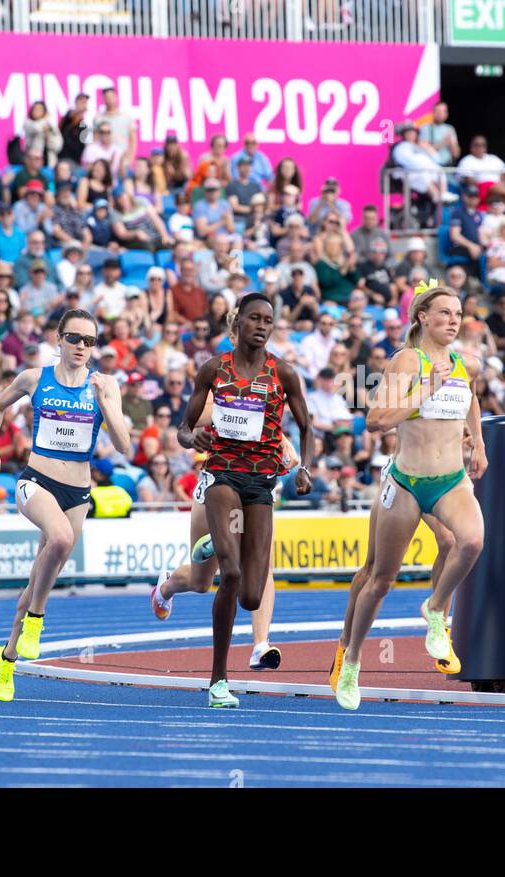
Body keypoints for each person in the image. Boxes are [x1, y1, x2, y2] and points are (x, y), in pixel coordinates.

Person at [331, 281, 488, 711]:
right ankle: (352, 660)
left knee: (468, 541)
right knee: (380, 578)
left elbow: (471, 399)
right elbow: (376, 420)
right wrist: (424, 392)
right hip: (406, 481)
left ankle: (436, 610)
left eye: (457, 314)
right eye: (444, 313)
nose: (453, 321)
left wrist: (479, 441)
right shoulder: (407, 361)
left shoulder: (465, 364)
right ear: (422, 317)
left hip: (451, 479)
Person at [177, 293, 314, 707]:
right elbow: (184, 428)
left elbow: (308, 427)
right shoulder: (213, 369)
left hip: (262, 484)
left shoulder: (284, 374)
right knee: (231, 574)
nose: (262, 325)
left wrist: (305, 468)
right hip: (222, 474)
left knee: (252, 595)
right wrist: (193, 437)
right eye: (254, 318)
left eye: (268, 320)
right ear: (237, 324)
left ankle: (213, 545)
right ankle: (219, 680)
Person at [0, 309, 130, 703]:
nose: (82, 347)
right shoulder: (35, 378)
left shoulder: (106, 384)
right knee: (62, 539)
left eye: (90, 341)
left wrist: (107, 404)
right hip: (36, 481)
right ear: (59, 339)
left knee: (36, 581)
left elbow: (123, 445)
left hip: (78, 493)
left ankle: (8, 658)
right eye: (74, 338)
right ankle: (37, 620)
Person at [152, 310, 299, 671]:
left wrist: (284, 445)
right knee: (202, 582)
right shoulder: (221, 377)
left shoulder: (272, 379)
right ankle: (167, 587)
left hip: (257, 485)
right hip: (216, 485)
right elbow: (196, 420)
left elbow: (275, 423)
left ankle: (260, 645)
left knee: (259, 565)